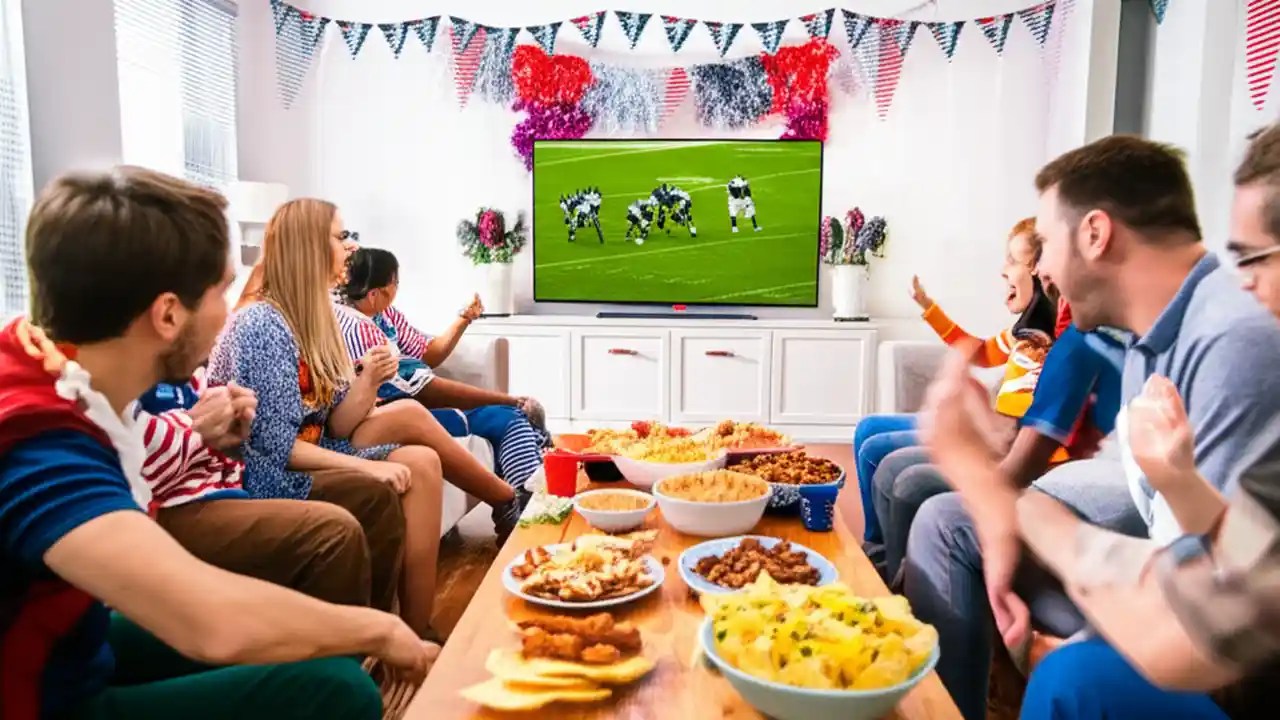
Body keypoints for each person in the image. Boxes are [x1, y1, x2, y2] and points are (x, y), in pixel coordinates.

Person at [0, 166, 434, 720]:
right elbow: (207, 621)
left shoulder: (51, 369)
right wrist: (379, 627)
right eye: (223, 290)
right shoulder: (40, 442)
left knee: (325, 662)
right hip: (44, 700)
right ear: (167, 314)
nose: (233, 311)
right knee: (335, 690)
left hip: (74, 646)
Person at [903, 134, 1280, 720]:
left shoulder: (1239, 341)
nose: (1043, 267)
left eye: (1046, 244)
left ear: (1096, 234)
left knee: (1071, 679)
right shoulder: (1143, 343)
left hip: (1223, 657)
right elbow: (1238, 555)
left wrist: (992, 490)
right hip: (1206, 615)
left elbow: (1218, 623)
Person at [208, 198, 446, 637]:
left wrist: (371, 379)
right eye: (341, 237)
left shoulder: (318, 320)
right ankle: (376, 640)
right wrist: (366, 467)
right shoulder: (261, 323)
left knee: (425, 464)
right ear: (310, 247)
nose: (351, 248)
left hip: (313, 449)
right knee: (376, 487)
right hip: (267, 473)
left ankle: (416, 630)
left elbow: (336, 423)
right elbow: (274, 446)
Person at [855, 218, 1059, 552]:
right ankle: (875, 545)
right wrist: (928, 308)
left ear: (1039, 269)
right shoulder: (1022, 333)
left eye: (1013, 260)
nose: (1003, 270)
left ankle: (881, 550)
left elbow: (1029, 424)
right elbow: (979, 352)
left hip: (1011, 448)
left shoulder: (1052, 341)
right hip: (1003, 434)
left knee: (877, 452)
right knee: (869, 429)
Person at [136, 368, 404, 612]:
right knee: (336, 533)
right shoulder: (256, 328)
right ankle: (355, 647)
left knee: (375, 496)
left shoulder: (186, 367)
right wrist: (197, 426)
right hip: (172, 506)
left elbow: (231, 445)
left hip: (232, 480)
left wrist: (233, 425)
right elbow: (136, 455)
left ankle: (380, 644)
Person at [336, 247, 543, 538]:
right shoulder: (358, 329)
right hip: (397, 411)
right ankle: (525, 513)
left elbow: (426, 353)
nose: (398, 288)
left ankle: (529, 504)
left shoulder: (383, 313)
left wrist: (464, 319)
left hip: (412, 403)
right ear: (375, 293)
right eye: (395, 283)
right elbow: (422, 391)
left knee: (517, 419)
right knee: (510, 418)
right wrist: (506, 398)